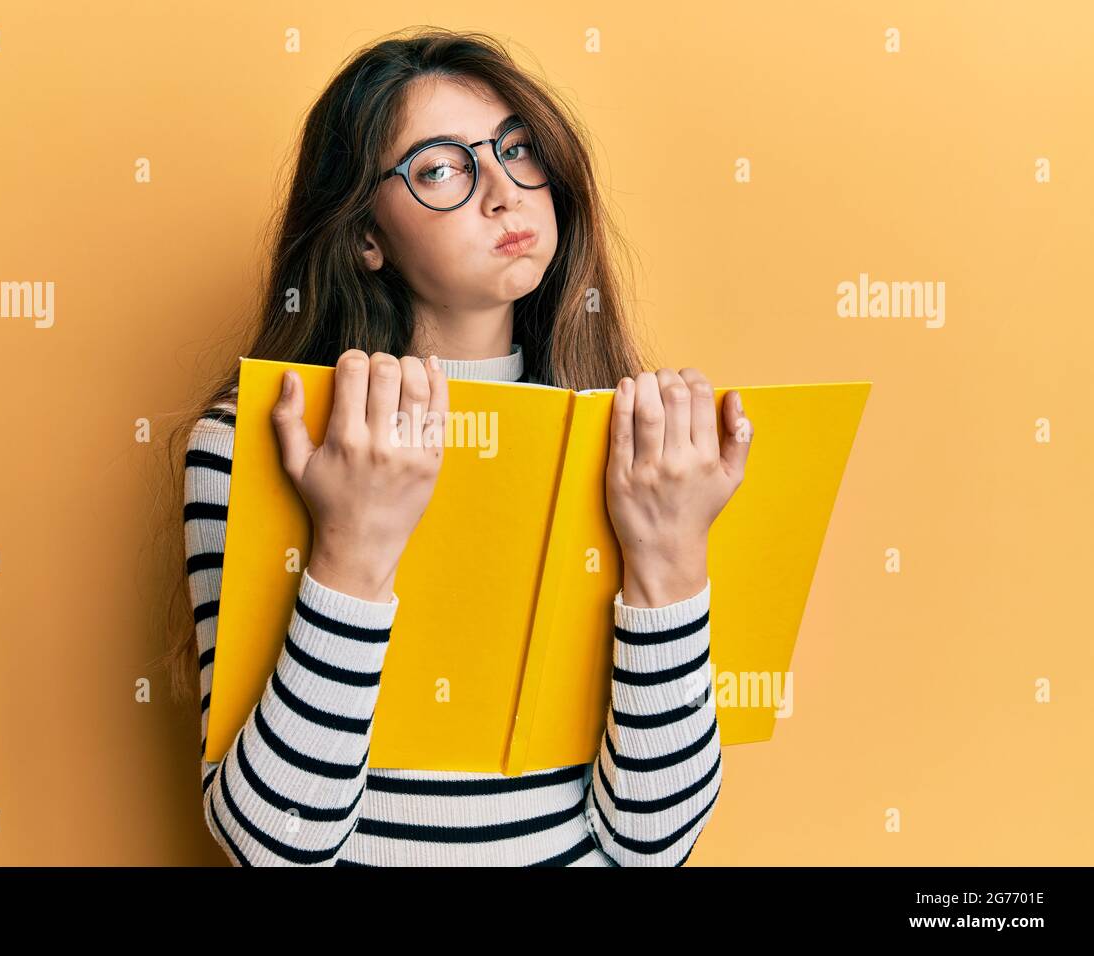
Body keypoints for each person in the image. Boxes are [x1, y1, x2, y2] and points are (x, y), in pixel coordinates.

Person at [171, 28, 753, 866]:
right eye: (440, 168)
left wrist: (669, 560)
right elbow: (272, 849)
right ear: (366, 235)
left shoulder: (642, 448)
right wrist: (355, 545)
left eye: (518, 151)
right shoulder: (257, 440)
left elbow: (654, 845)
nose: (503, 192)